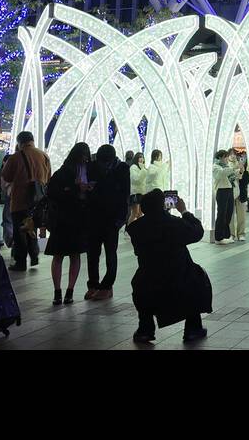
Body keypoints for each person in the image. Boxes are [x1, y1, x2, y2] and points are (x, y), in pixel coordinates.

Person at [127, 190, 211, 344]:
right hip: (178, 280)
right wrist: (184, 211)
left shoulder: (135, 228)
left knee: (139, 283)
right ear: (163, 205)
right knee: (196, 275)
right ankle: (193, 328)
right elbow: (197, 232)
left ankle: (145, 329)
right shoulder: (175, 224)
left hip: (149, 282)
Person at [0, 131, 52, 271]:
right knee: (31, 229)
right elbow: (48, 178)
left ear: (19, 142)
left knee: (20, 232)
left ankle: (20, 262)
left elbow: (7, 176)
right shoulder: (44, 156)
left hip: (20, 201)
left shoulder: (16, 157)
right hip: (37, 202)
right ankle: (34, 256)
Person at [46, 142, 91, 304]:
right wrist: (75, 189)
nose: (85, 159)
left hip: (67, 220)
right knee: (72, 255)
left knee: (63, 255)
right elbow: (53, 192)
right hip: (71, 219)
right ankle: (63, 291)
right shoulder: (66, 172)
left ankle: (63, 291)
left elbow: (52, 191)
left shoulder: (65, 171)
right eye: (83, 156)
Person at [84, 144, 130, 300]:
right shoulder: (92, 166)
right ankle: (93, 285)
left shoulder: (122, 168)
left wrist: (121, 219)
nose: (104, 165)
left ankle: (107, 286)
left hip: (112, 219)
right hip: (93, 217)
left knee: (111, 253)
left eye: (107, 163)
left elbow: (125, 194)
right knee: (92, 253)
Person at [212, 150, 238, 243]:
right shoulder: (216, 166)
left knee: (228, 214)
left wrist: (239, 171)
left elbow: (232, 177)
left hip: (229, 190)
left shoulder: (227, 167)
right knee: (221, 214)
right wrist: (232, 169)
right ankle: (218, 238)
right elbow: (220, 175)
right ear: (221, 157)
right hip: (221, 191)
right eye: (226, 157)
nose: (227, 158)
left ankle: (226, 236)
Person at [128, 151, 150, 225]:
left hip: (142, 192)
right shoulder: (133, 167)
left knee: (140, 213)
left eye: (142, 157)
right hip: (135, 193)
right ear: (136, 158)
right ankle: (128, 228)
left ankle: (138, 229)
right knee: (135, 212)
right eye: (140, 157)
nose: (141, 159)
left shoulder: (143, 168)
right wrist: (143, 170)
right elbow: (136, 180)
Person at [234, 153, 249, 241]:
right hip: (231, 194)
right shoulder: (230, 169)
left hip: (241, 195)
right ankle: (231, 234)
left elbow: (246, 181)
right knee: (230, 216)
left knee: (241, 215)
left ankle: (241, 233)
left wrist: (242, 171)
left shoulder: (245, 172)